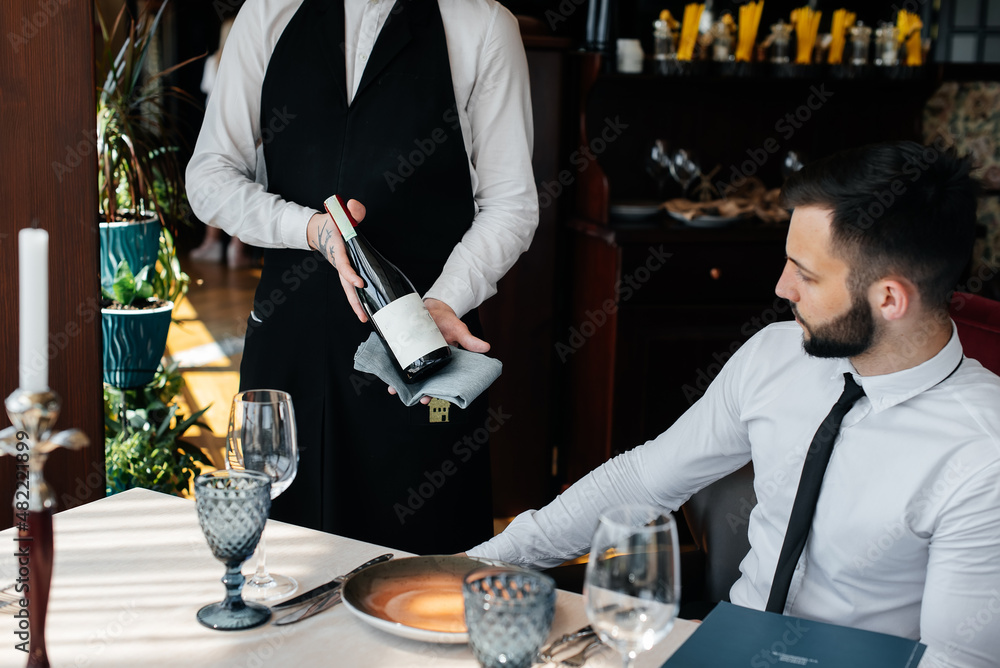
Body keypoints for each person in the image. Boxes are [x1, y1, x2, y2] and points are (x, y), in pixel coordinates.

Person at [468, 141, 1000, 668]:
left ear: (888, 298)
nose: (782, 286)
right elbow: (643, 481)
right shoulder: (776, 353)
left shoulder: (983, 454)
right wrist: (480, 561)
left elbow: (958, 661)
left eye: (806, 274)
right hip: (721, 649)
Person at [185, 0, 538, 554]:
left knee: (419, 577)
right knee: (284, 568)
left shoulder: (483, 24)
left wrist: (444, 301)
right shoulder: (267, 13)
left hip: (422, 353)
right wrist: (311, 229)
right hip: (289, 346)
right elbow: (208, 177)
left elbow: (512, 204)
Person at [189, 15, 255, 269]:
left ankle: (212, 242)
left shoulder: (212, 63)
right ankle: (237, 249)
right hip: (245, 134)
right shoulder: (247, 63)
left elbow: (209, 104)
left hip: (215, 134)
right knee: (243, 186)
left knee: (216, 184)